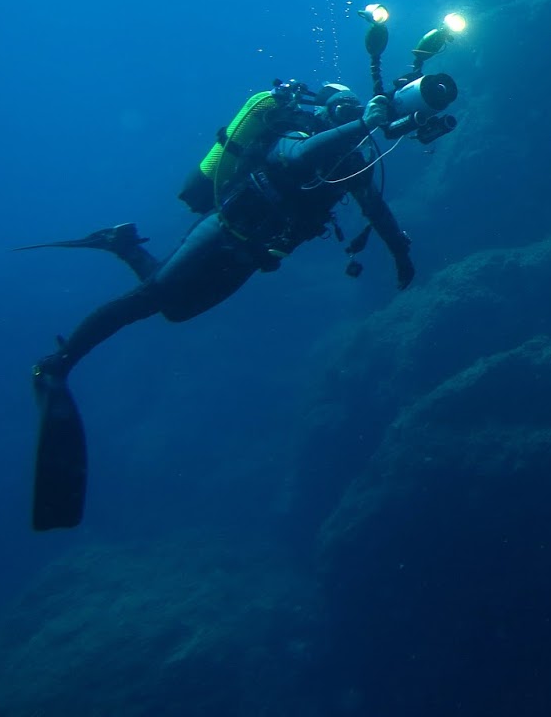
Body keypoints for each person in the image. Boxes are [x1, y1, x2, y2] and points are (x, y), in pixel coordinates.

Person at [24, 79, 419, 529]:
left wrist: (400, 253)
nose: (350, 114)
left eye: (355, 109)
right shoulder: (295, 135)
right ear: (325, 113)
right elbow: (299, 159)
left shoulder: (355, 166)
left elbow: (376, 211)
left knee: (176, 310)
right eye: (342, 108)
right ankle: (59, 362)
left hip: (253, 255)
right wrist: (365, 121)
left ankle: (123, 243)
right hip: (223, 230)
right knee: (150, 299)